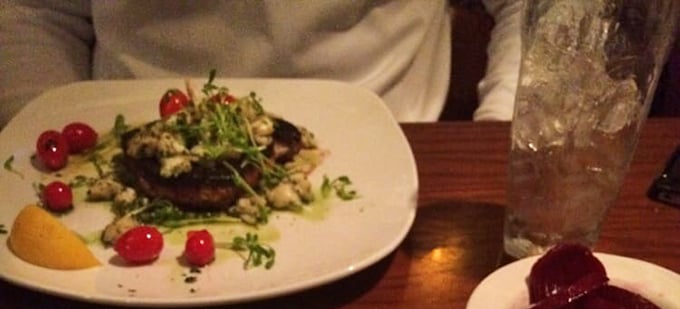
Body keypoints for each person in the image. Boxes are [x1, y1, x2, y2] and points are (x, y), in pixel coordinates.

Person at [0, 1, 522, 129]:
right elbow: (36, 12)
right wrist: (46, 141)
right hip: (124, 143)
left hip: (397, 153)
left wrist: (504, 136)